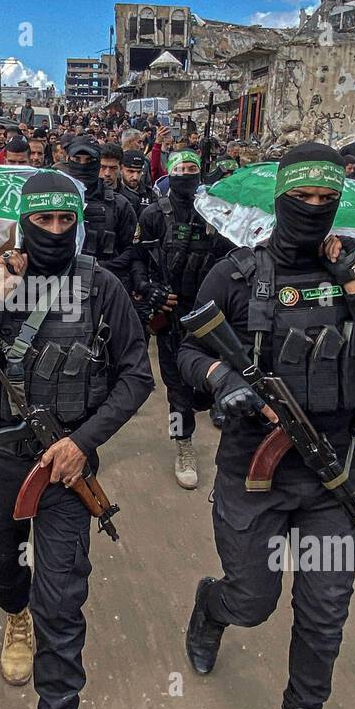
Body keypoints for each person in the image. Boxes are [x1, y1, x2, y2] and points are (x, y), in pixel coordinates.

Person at [180, 143, 355, 709]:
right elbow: (187, 348)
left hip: (331, 472)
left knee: (326, 609)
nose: (313, 208)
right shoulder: (236, 274)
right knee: (253, 601)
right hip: (254, 472)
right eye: (301, 197)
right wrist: (220, 377)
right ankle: (213, 605)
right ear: (279, 199)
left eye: (325, 199)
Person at [0, 169, 153, 709]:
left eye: (65, 220)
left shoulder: (101, 286)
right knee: (0, 561)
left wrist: (82, 443)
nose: (55, 231)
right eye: (42, 220)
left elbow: (136, 377)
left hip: (66, 470)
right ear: (22, 223)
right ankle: (15, 615)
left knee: (61, 598)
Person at [132, 149, 231, 491]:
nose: (187, 174)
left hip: (210, 315)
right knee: (176, 390)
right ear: (170, 174)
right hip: (171, 315)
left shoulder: (215, 214)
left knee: (217, 381)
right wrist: (149, 289)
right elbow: (137, 260)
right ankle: (183, 443)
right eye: (180, 168)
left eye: (192, 168)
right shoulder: (152, 214)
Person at [62, 137, 137, 285]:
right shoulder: (54, 200)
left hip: (105, 285)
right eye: (77, 159)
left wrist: (99, 268)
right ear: (67, 159)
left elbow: (132, 250)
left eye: (89, 161)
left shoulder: (119, 205)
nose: (82, 165)